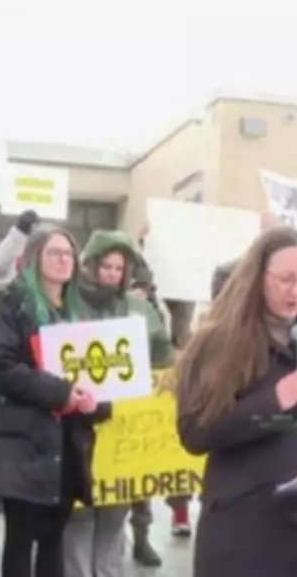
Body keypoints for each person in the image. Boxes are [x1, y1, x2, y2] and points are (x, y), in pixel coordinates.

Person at [177, 226, 297, 577]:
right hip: (245, 530)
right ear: (259, 277)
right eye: (286, 279)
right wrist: (271, 401)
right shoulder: (219, 343)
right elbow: (195, 432)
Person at [0, 223, 109, 577]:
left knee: (55, 539)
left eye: (69, 253)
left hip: (67, 444)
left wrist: (95, 404)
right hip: (24, 443)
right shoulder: (13, 305)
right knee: (21, 541)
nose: (63, 260)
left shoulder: (80, 311)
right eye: (54, 253)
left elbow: (103, 377)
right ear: (35, 258)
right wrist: (61, 392)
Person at [62, 229, 174, 574]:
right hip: (77, 427)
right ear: (92, 266)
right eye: (106, 266)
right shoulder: (65, 302)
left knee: (114, 514)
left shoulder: (140, 310)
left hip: (124, 429)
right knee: (79, 516)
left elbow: (163, 359)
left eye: (118, 267)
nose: (111, 273)